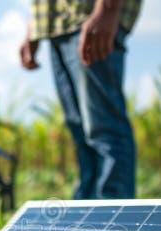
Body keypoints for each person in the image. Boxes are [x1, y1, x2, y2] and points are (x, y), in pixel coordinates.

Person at [20, 0, 141, 199]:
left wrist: (107, 9)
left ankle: (114, 218)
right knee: (80, 133)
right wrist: (34, 29)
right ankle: (87, 214)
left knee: (105, 131)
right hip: (55, 27)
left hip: (91, 17)